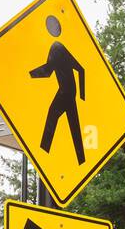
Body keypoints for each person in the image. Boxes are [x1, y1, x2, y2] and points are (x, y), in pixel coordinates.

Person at [30, 15, 87, 164]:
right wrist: (80, 95)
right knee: (73, 127)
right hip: (70, 92)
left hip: (65, 93)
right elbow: (81, 70)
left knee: (52, 116)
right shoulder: (61, 47)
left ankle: (44, 153)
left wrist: (29, 74)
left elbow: (48, 71)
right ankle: (81, 160)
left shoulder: (56, 48)